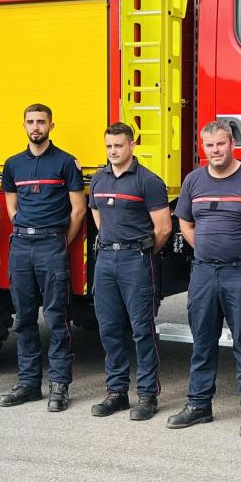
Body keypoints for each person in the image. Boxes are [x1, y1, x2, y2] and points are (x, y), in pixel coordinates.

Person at [167, 120, 241, 438]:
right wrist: (203, 247)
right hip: (203, 272)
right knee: (202, 342)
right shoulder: (194, 181)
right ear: (203, 148)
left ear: (231, 144)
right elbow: (185, 223)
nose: (215, 150)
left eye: (220, 144)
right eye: (209, 146)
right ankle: (199, 405)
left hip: (240, 272)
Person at [0, 104, 85, 412]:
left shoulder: (65, 163)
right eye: (31, 122)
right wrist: (26, 231)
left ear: (51, 125)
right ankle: (29, 384)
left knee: (57, 319)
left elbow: (78, 210)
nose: (36, 127)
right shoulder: (13, 164)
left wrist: (60, 239)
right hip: (21, 246)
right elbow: (11, 206)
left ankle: (59, 385)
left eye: (41, 122)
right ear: (23, 126)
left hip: (51, 245)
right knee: (23, 319)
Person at [88, 122, 172, 421]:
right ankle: (117, 392)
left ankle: (147, 395)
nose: (113, 151)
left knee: (141, 330)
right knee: (109, 328)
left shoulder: (148, 181)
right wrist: (113, 243)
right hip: (106, 260)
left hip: (136, 260)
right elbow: (97, 215)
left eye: (119, 146)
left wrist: (139, 250)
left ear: (132, 146)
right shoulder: (99, 180)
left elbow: (163, 228)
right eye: (109, 146)